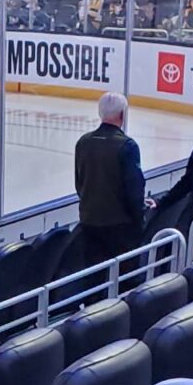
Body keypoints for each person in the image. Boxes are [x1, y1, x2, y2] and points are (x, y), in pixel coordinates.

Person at [75, 93, 150, 265]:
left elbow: (79, 184)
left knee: (94, 278)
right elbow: (134, 190)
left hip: (89, 222)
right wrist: (139, 219)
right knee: (123, 278)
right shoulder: (127, 146)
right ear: (122, 115)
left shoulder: (83, 142)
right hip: (120, 228)